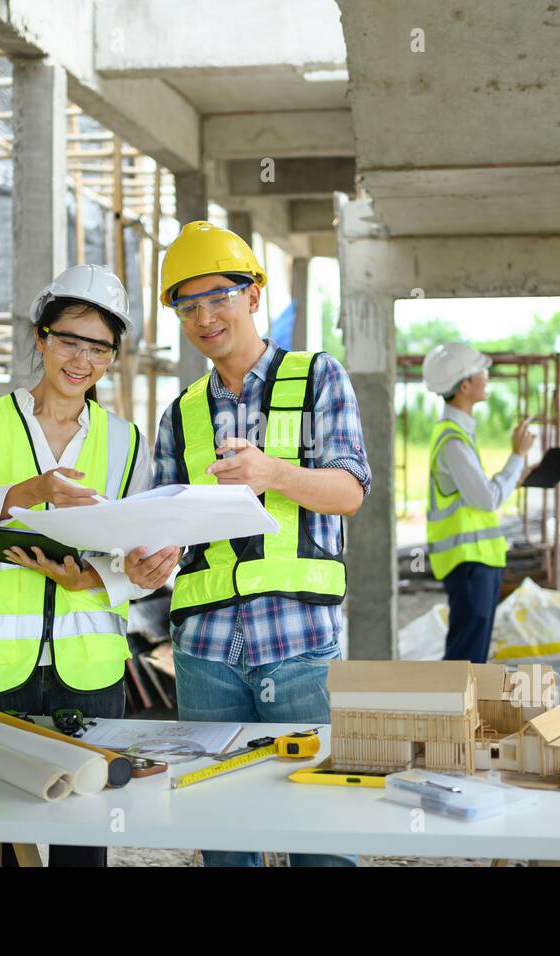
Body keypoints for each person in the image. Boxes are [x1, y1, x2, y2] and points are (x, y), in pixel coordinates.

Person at [0, 263, 180, 867]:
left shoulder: (126, 442)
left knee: (85, 836)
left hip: (91, 670)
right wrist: (27, 491)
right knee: (6, 837)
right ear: (41, 336)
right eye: (70, 339)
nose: (82, 359)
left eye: (100, 347)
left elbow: (139, 547)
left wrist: (114, 574)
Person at [153, 221, 370, 867]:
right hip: (204, 656)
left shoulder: (317, 378)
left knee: (322, 834)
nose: (204, 316)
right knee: (224, 836)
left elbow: (349, 492)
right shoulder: (182, 411)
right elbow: (171, 522)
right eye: (187, 306)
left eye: (218, 296)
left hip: (300, 645)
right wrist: (148, 556)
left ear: (254, 296)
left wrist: (271, 472)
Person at [422, 342, 535, 663]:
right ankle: (450, 712)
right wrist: (516, 456)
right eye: (480, 372)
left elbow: (478, 496)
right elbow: (486, 500)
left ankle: (458, 711)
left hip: (475, 562)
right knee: (466, 658)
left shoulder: (458, 435)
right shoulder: (453, 441)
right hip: (469, 563)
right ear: (464, 386)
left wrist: (516, 474)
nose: (488, 377)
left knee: (471, 654)